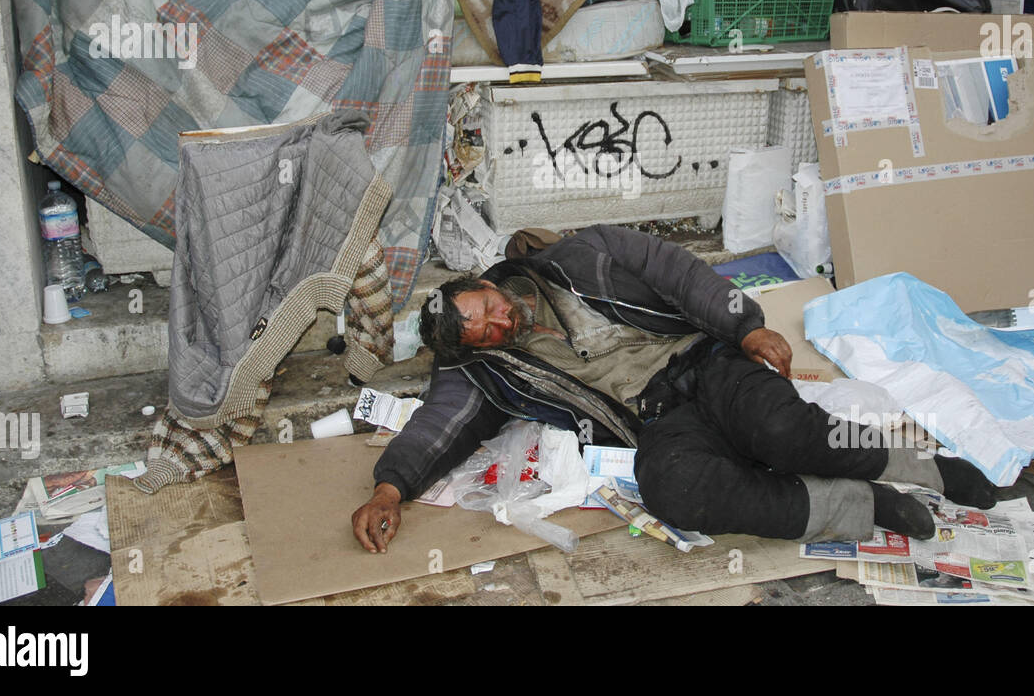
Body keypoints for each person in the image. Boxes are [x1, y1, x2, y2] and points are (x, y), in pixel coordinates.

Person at [351, 224, 997, 553]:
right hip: (654, 418)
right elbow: (441, 421)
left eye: (486, 307)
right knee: (675, 491)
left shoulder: (581, 257)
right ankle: (862, 507)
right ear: (472, 347)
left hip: (706, 363)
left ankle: (926, 469)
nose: (495, 324)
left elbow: (678, 271)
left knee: (784, 430)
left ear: (487, 283)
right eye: (479, 333)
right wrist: (390, 487)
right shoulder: (487, 368)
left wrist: (741, 328)